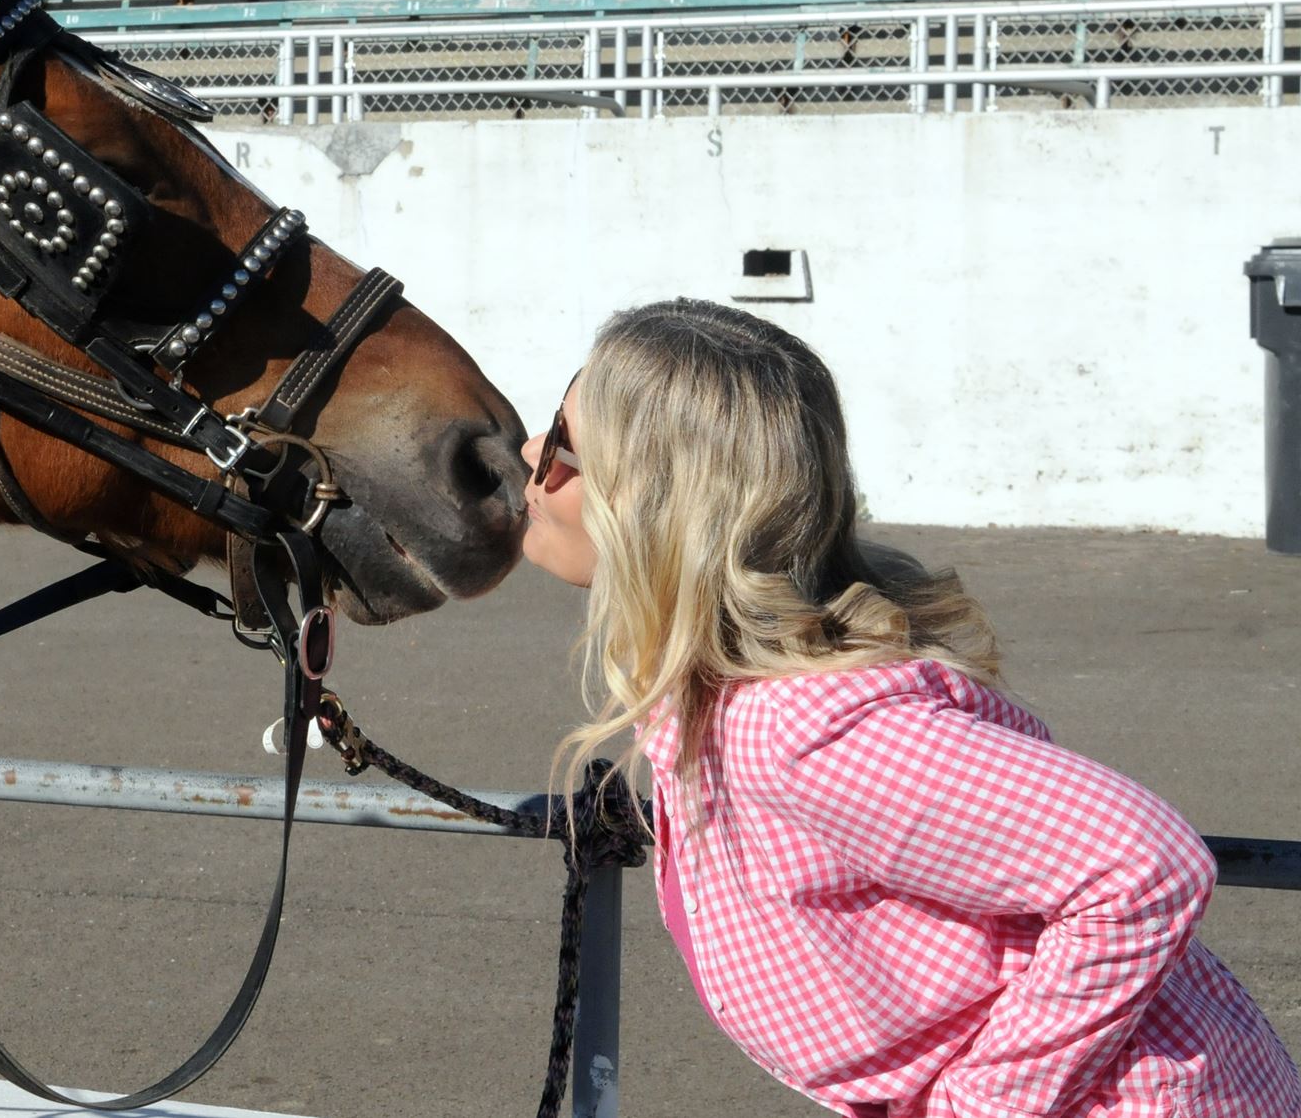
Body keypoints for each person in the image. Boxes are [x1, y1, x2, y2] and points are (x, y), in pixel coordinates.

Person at [519, 298, 1299, 1118]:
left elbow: (1142, 866)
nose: (533, 455)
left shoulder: (798, 730)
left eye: (564, 444)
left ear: (656, 511)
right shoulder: (730, 699)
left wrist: (982, 1104)